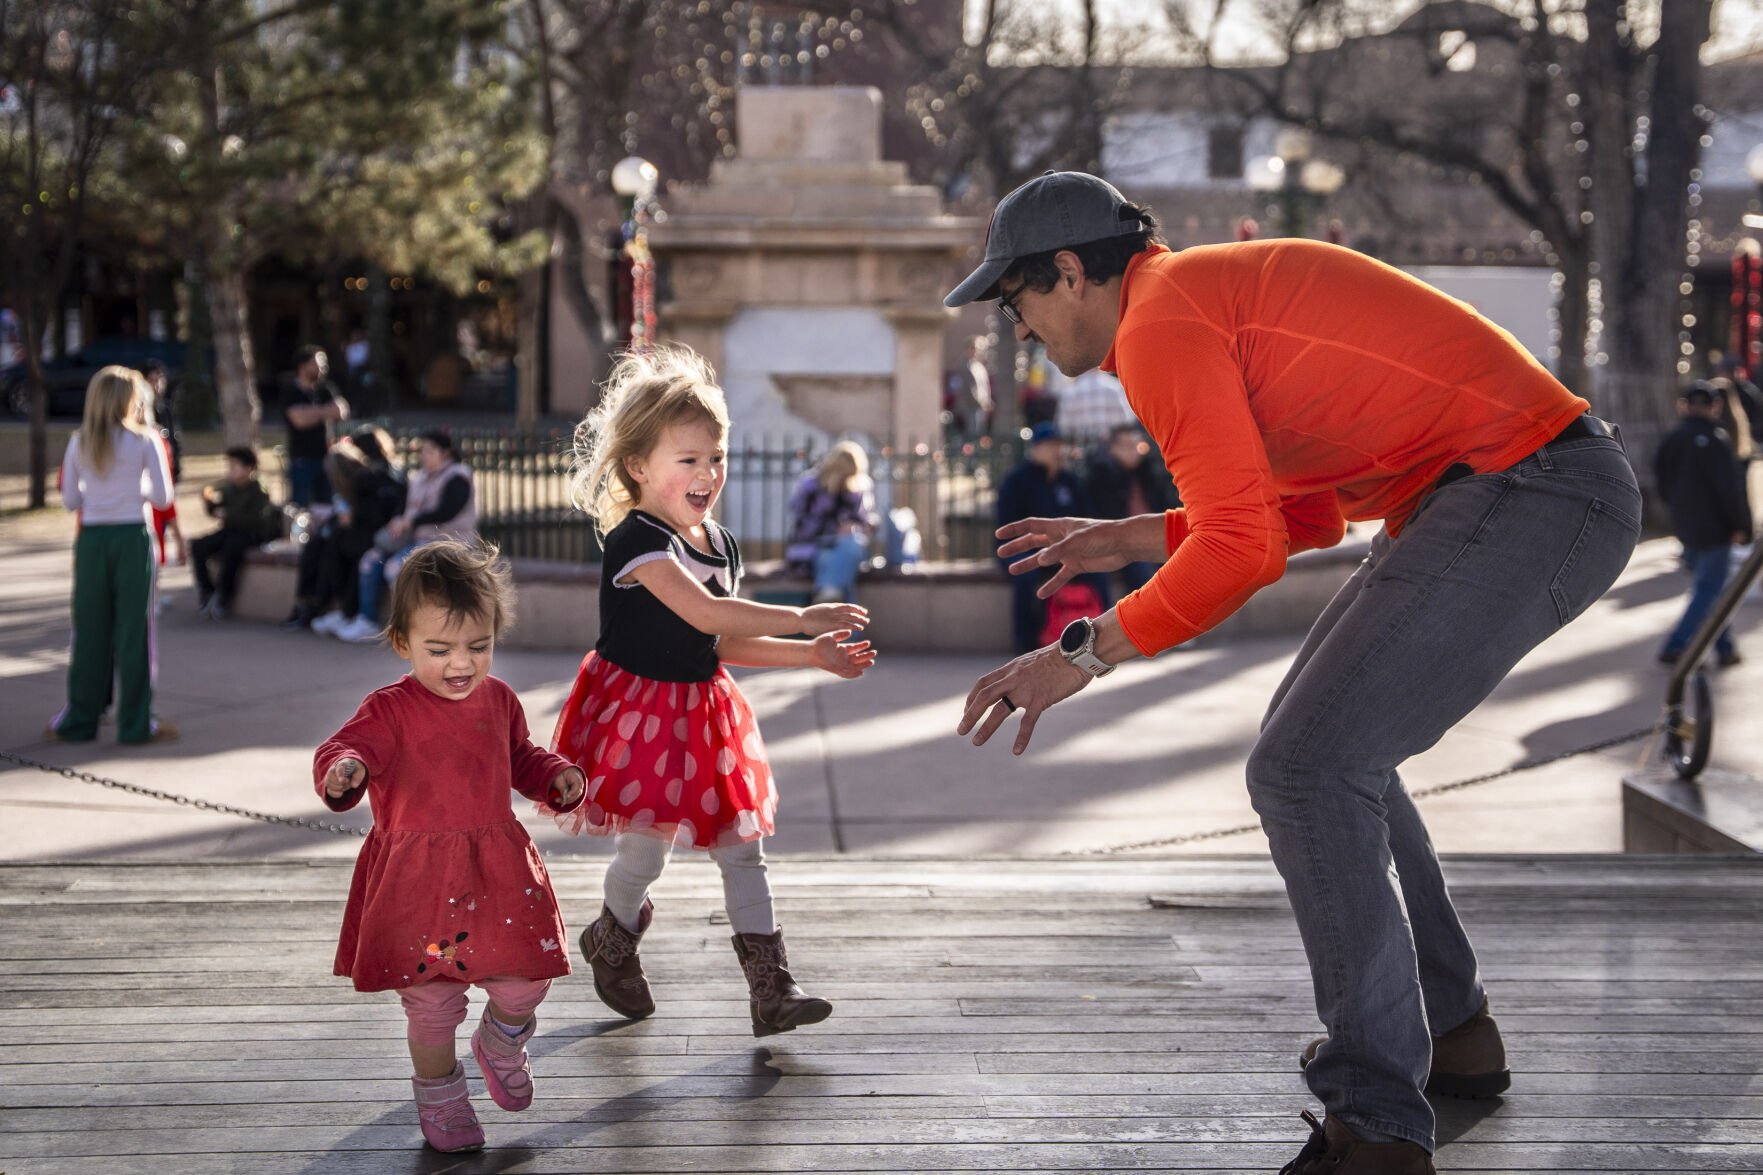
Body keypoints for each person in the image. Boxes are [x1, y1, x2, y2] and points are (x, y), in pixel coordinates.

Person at [945, 171, 1641, 1173]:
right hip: (1504, 490)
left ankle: (1377, 1121)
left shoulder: (1161, 323)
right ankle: (1447, 1028)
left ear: (1069, 271)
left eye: (1015, 299)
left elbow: (1241, 549)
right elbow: (1296, 515)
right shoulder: (1190, 301)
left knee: (1308, 764)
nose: (1017, 327)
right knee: (1320, 749)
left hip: (1530, 489)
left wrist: (1079, 653)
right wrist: (1131, 536)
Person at [542, 345, 874, 1038]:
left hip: (702, 710)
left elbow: (720, 644)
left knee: (742, 845)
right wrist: (801, 616)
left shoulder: (718, 543)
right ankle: (611, 937)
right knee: (646, 850)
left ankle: (772, 988)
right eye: (688, 458)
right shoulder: (636, 540)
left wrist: (809, 655)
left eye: (716, 457)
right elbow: (704, 612)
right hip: (639, 712)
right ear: (638, 465)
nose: (708, 473)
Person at [314, 541, 586, 1153]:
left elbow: (520, 757)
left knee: (526, 979)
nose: (461, 664)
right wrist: (344, 771)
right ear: (403, 643)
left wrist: (555, 776)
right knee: (432, 1003)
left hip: (495, 874)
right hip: (419, 886)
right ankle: (441, 1096)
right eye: (439, 650)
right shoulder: (388, 710)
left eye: (478, 646)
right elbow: (342, 748)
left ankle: (501, 1042)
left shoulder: (499, 699)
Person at [46, 366, 177, 745]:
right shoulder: (145, 440)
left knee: (89, 632)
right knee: (134, 634)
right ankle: (135, 724)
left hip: (92, 540)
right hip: (132, 537)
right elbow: (163, 498)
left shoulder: (79, 441)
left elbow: (71, 500)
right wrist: (134, 488)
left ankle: (79, 720)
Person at [336, 429, 475, 643]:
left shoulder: (458, 476)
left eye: (429, 451)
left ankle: (414, 626)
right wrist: (398, 520)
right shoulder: (420, 478)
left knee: (398, 568)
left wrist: (411, 521)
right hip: (418, 540)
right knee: (370, 561)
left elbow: (447, 511)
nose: (423, 456)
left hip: (450, 543)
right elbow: (404, 506)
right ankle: (367, 619)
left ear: (445, 453)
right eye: (422, 451)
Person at [1654, 381, 1753, 669]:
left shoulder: (1673, 438)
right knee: (1709, 590)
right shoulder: (1717, 439)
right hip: (1716, 529)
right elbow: (1730, 489)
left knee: (1713, 590)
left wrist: (1676, 511)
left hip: (1686, 526)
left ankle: (1725, 648)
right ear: (1715, 406)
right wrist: (1742, 526)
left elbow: (1661, 479)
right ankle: (1677, 645)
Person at [996, 421, 1100, 653]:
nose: (1057, 451)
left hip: (1065, 548)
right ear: (1035, 449)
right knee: (1026, 574)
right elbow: (1008, 524)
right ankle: (1026, 643)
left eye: (1059, 445)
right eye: (1051, 445)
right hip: (1023, 548)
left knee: (1098, 569)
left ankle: (1099, 636)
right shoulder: (1017, 481)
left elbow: (1086, 517)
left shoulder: (1070, 481)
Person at [310, 430, 409, 636]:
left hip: (383, 535)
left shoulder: (376, 476)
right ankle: (336, 608)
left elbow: (377, 511)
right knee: (333, 543)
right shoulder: (387, 472)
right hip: (376, 532)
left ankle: (346, 610)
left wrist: (353, 517)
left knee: (353, 551)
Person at [1084, 423, 1179, 596]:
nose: (1134, 451)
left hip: (1156, 532)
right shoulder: (1103, 475)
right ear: (1113, 449)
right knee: (1145, 572)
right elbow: (1108, 515)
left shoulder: (1147, 471)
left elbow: (1164, 504)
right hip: (1124, 538)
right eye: (1127, 446)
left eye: (1137, 445)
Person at [190, 446, 281, 620]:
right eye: (230, 465)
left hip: (252, 534)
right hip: (231, 530)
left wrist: (228, 514)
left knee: (231, 548)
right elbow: (217, 509)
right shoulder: (229, 487)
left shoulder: (259, 488)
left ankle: (224, 596)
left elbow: (257, 518)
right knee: (198, 545)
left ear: (249, 468)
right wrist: (209, 503)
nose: (231, 470)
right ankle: (207, 591)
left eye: (235, 466)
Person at [784, 441, 879, 603]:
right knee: (842, 556)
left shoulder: (857, 488)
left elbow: (865, 521)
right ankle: (835, 599)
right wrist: (834, 531)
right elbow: (803, 524)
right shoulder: (811, 486)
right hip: (812, 548)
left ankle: (827, 593)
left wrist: (855, 527)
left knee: (846, 548)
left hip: (842, 548)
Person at [282, 343, 349, 508]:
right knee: (300, 507)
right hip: (302, 460)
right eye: (318, 363)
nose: (324, 368)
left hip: (327, 458)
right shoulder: (290, 391)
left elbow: (341, 411)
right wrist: (325, 412)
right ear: (303, 366)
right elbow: (298, 420)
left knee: (327, 505)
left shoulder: (326, 389)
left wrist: (309, 413)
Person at [139, 360, 186, 569]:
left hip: (165, 476)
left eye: (159, 379)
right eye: (151, 380)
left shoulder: (164, 408)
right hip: (140, 507)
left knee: (160, 530)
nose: (156, 384)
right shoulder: (142, 435)